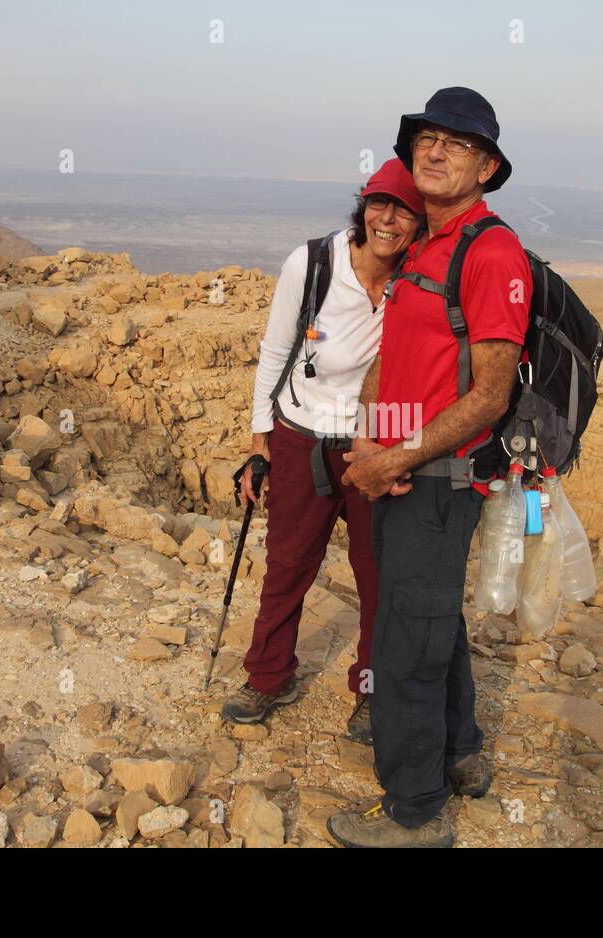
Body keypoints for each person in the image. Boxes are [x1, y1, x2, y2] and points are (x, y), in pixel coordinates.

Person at [328, 88, 530, 848]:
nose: (435, 151)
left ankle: (415, 811)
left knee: (404, 643)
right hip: (401, 469)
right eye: (427, 138)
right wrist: (369, 447)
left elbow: (490, 394)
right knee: (429, 617)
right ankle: (462, 751)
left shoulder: (491, 251)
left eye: (456, 143)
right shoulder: (421, 246)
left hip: (441, 482)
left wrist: (396, 459)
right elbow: (395, 357)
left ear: (486, 165)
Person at [221, 159, 424, 742]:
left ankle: (372, 690)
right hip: (302, 438)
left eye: (404, 209)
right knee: (287, 564)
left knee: (378, 576)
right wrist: (260, 445)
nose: (388, 219)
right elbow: (275, 349)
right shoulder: (311, 264)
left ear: (419, 221)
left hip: (378, 446)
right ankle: (267, 677)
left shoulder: (419, 274)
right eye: (379, 204)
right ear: (362, 206)